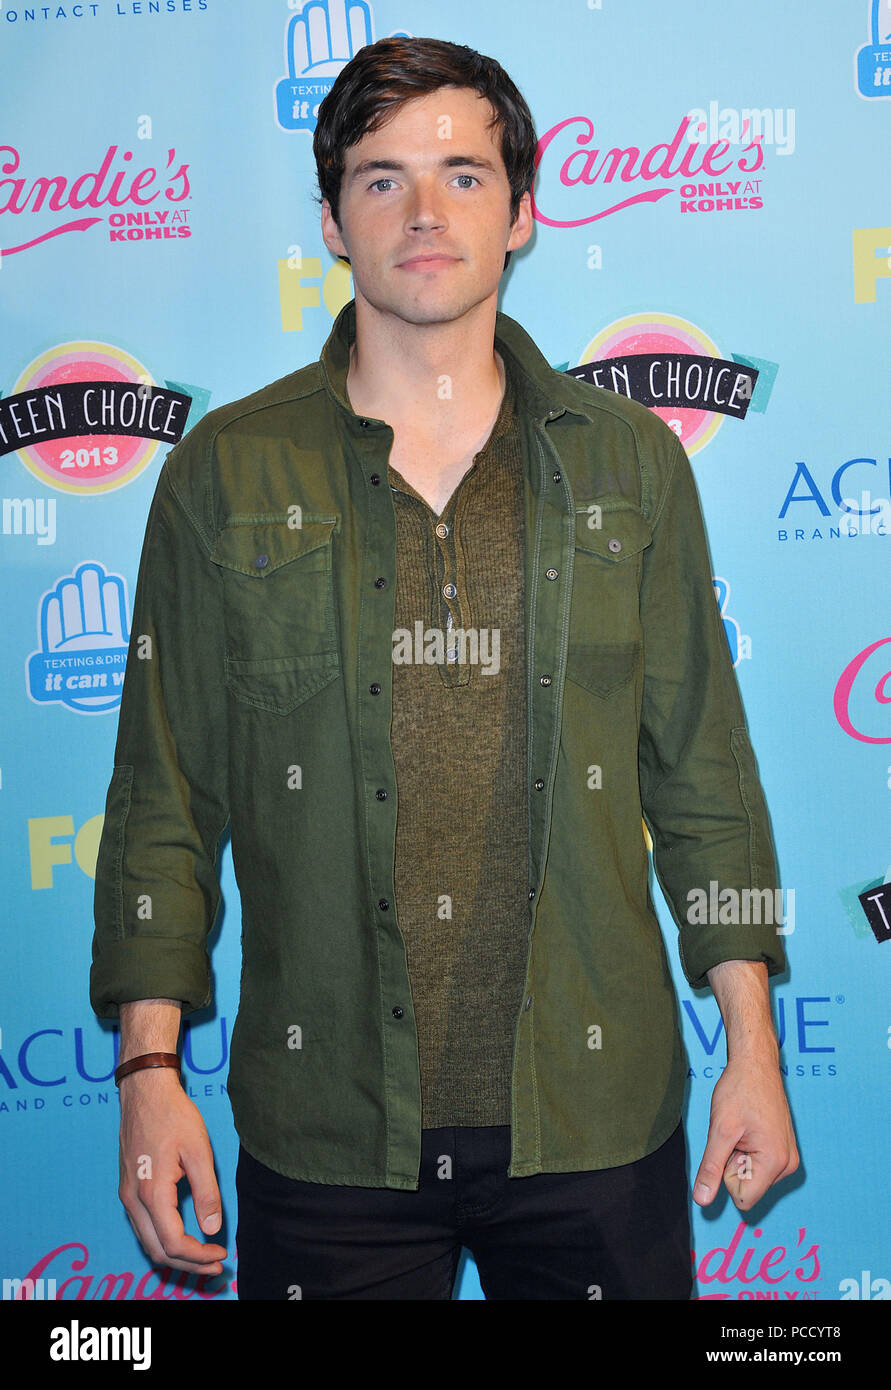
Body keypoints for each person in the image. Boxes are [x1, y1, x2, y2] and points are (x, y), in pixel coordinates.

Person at [90, 36, 799, 1301]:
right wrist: (149, 1076)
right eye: (381, 179)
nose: (424, 213)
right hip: (329, 1128)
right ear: (330, 219)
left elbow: (702, 772)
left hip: (593, 1121)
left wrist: (754, 1046)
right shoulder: (226, 475)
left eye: (464, 175)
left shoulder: (632, 468)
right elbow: (164, 800)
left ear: (523, 213)